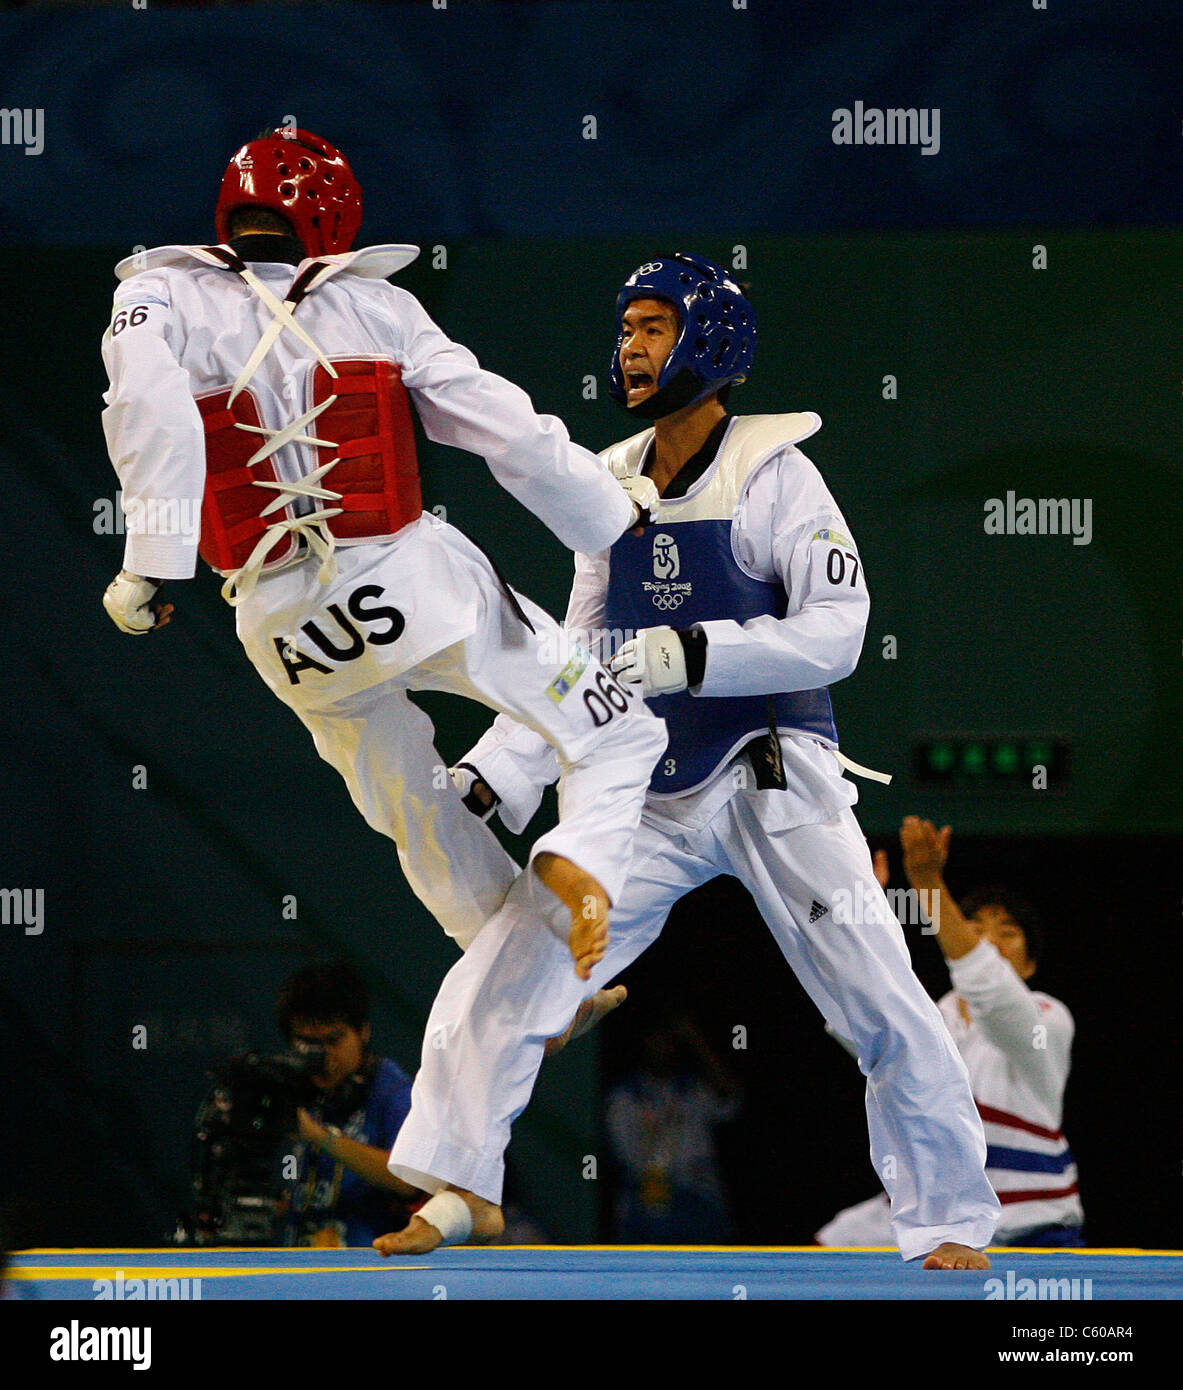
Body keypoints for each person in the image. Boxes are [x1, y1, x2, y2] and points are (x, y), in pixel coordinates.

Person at [377, 254, 1000, 1267]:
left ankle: (949, 1219)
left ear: (710, 342)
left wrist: (699, 652)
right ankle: (460, 1189)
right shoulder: (605, 482)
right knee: (511, 956)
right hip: (649, 791)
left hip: (771, 775)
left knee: (880, 998)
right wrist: (502, 769)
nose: (629, 346)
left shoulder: (777, 471)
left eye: (654, 326)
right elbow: (567, 658)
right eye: (624, 327)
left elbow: (841, 627)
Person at [98, 126, 667, 985]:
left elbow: (150, 410)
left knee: (414, 804)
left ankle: (513, 980)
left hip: (280, 622)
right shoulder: (377, 304)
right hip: (411, 583)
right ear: (336, 217)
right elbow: (500, 424)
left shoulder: (155, 296)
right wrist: (602, 511)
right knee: (617, 729)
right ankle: (574, 858)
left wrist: (150, 565)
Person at [817, 818, 1084, 1248]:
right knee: (831, 1247)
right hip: (936, 1225)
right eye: (976, 930)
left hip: (1030, 1232)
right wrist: (856, 922)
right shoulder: (926, 1020)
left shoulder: (1048, 1019)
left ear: (1031, 965)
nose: (990, 942)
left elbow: (989, 986)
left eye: (1008, 933)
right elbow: (857, 1011)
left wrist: (926, 884)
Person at [277, 960, 420, 1247]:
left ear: (363, 1032)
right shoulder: (289, 1086)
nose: (323, 1055)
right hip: (296, 1267)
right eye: (308, 1042)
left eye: (334, 1040)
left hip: (373, 1272)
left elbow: (410, 1178)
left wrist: (323, 1138)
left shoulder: (393, 1093)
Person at [605, 1015, 740, 1243]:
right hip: (646, 1202)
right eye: (656, 1040)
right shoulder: (625, 1097)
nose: (662, 1047)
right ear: (644, 1042)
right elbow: (623, 1156)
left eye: (669, 1041)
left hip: (698, 1196)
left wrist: (698, 1042)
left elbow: (729, 1099)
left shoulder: (695, 1090)